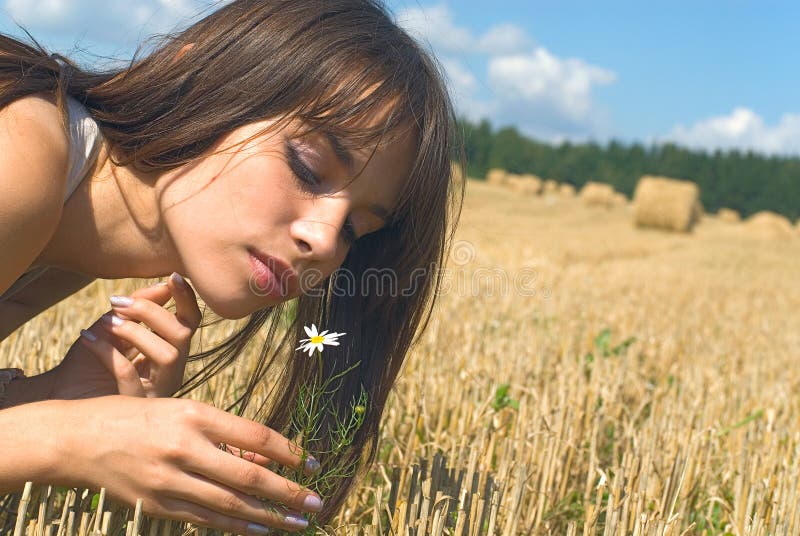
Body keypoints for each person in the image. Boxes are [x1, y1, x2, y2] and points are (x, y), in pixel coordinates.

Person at [0, 0, 464, 533]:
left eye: (356, 232)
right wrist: (73, 440)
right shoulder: (19, 156)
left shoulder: (69, 241)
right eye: (308, 167)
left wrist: (53, 400)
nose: (324, 240)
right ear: (194, 76)